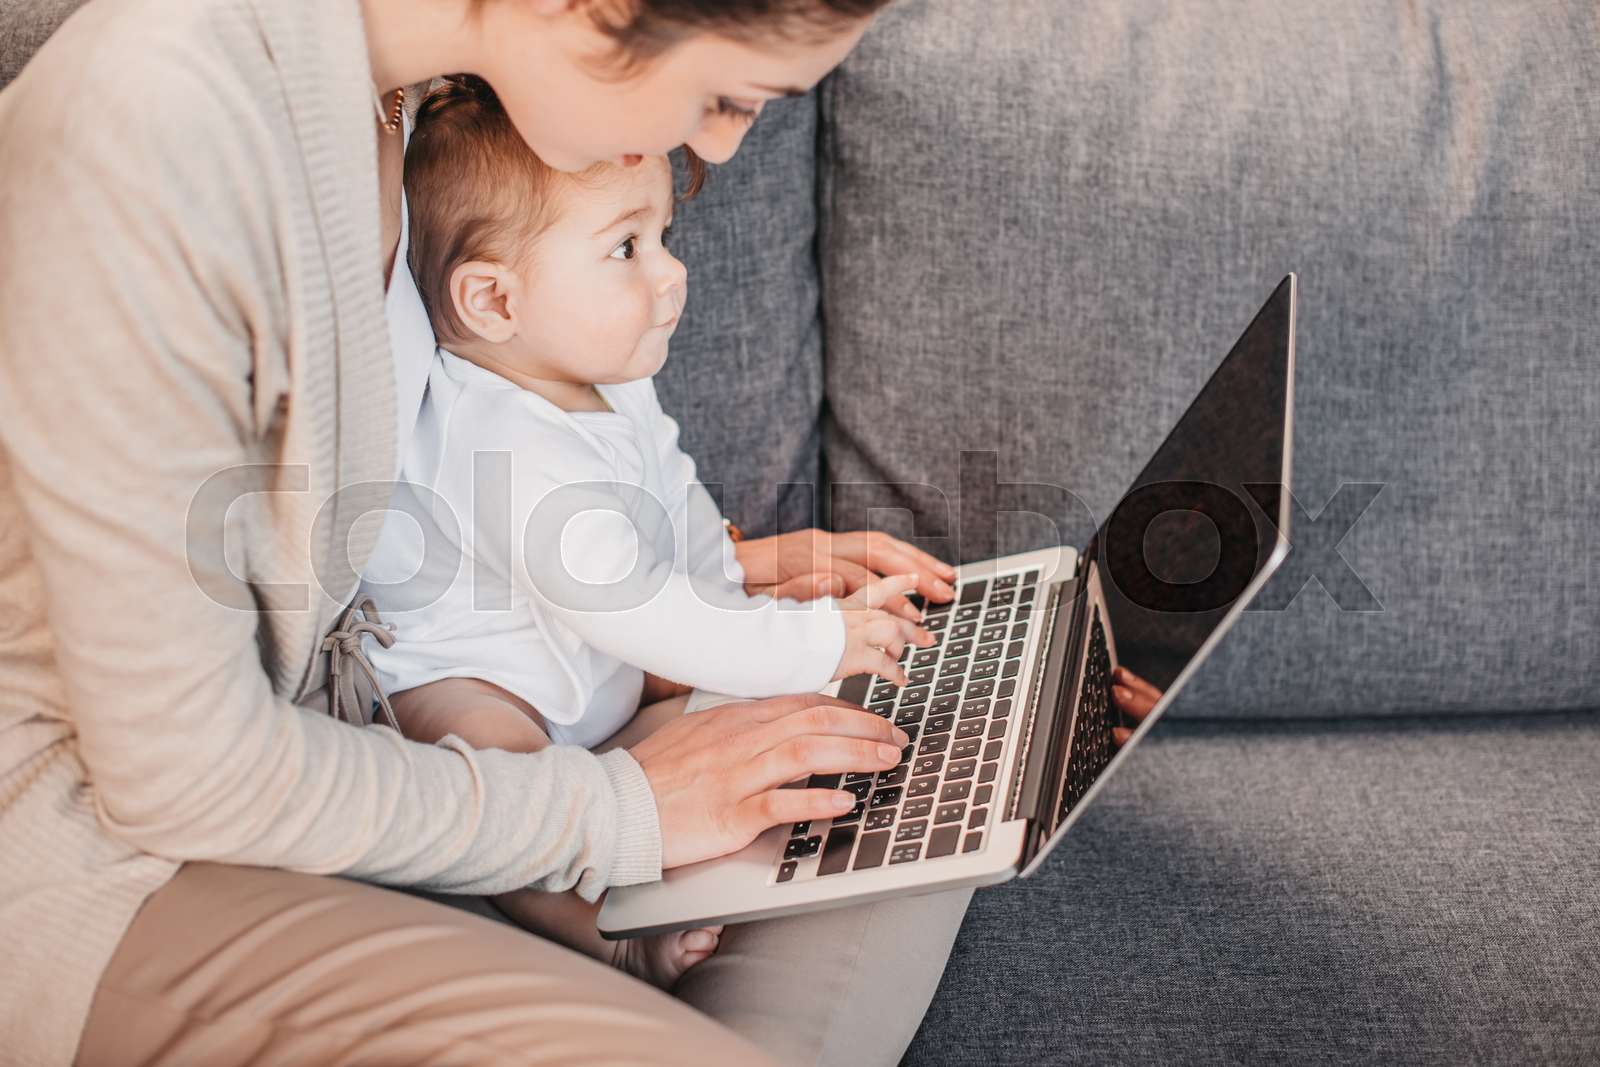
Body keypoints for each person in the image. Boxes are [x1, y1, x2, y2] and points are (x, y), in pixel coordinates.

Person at [0, 0, 1001, 1063]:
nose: (714, 146)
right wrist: (618, 807)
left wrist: (714, 579)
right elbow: (186, 777)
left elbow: (411, 507)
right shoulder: (152, 130)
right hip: (110, 858)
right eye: (722, 97)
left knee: (927, 770)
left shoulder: (415, 105)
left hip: (358, 775)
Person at [360, 75, 940, 987]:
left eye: (662, 237)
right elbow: (633, 605)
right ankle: (603, 929)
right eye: (625, 248)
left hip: (587, 665)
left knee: (727, 698)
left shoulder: (611, 376)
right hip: (473, 678)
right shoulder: (504, 441)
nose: (670, 274)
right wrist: (809, 639)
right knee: (478, 739)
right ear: (493, 302)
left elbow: (678, 506)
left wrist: (735, 599)